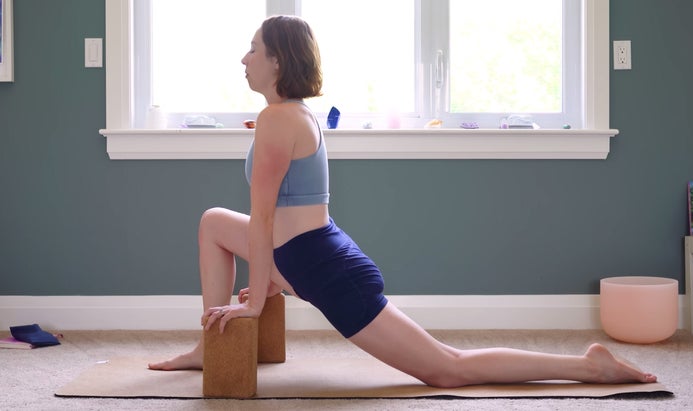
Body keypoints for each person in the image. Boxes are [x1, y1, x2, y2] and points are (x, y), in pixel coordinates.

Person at [149, 15, 657, 387]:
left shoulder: (279, 120)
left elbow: (261, 221)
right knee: (214, 222)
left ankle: (589, 366)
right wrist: (276, 281)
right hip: (304, 256)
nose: (244, 58)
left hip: (324, 268)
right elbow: (273, 217)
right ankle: (206, 346)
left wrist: (257, 300)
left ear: (278, 60)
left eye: (253, 48)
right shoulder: (289, 114)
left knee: (446, 368)